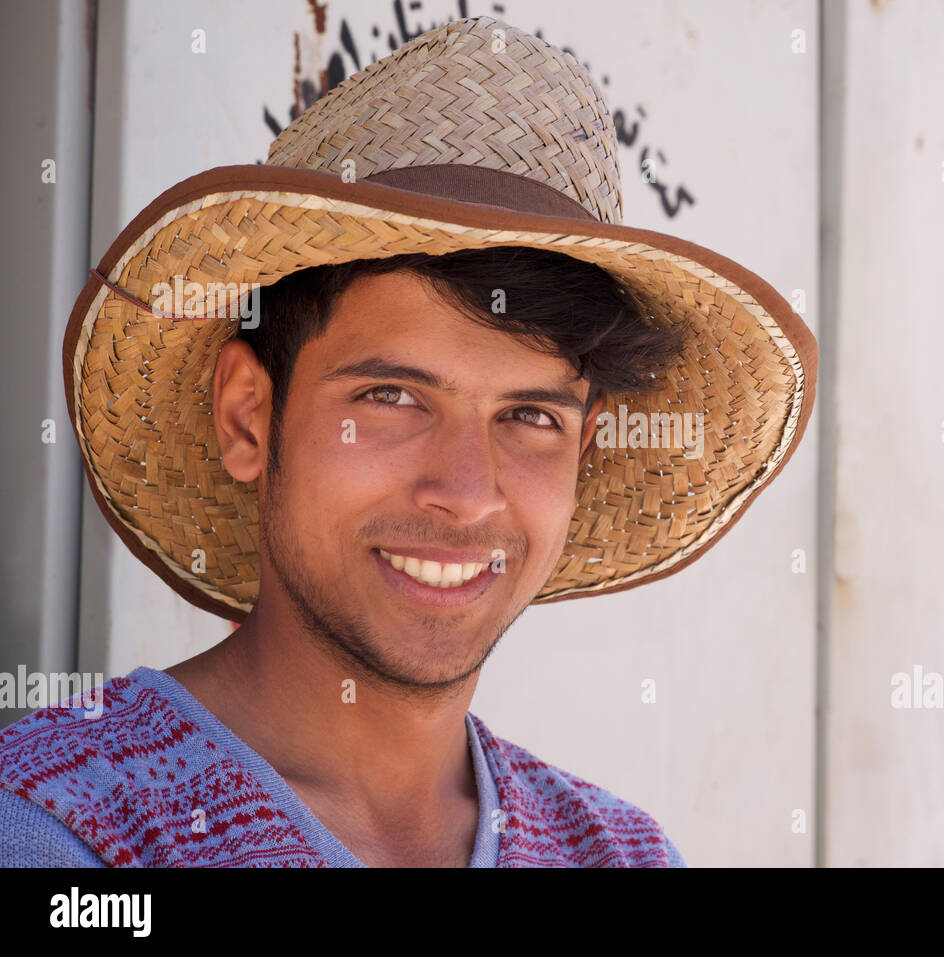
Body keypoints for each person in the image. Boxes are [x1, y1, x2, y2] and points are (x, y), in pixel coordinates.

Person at [0, 15, 816, 867]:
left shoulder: (619, 853)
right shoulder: (65, 831)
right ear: (248, 415)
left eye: (531, 415)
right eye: (391, 397)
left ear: (585, 451)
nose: (466, 490)